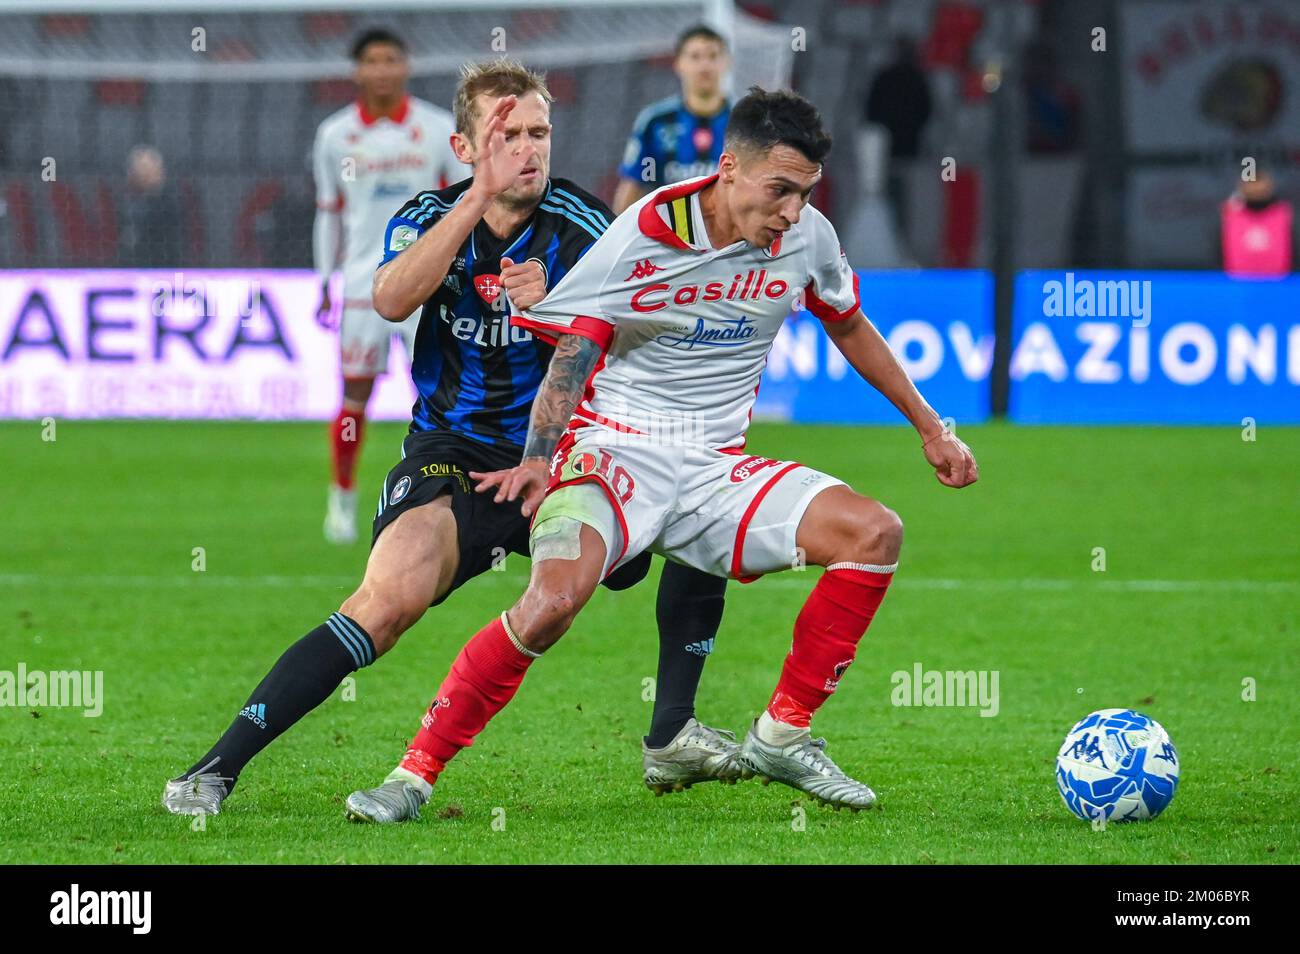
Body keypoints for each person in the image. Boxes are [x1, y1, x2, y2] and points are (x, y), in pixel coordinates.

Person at [346, 88, 979, 823]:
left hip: (715, 469)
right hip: (611, 452)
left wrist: (932, 427)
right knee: (550, 604)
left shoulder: (811, 239)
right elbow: (577, 347)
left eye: (805, 193)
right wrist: (541, 456)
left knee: (876, 533)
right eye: (779, 191)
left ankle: (783, 733)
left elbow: (851, 326)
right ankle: (413, 775)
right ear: (729, 170)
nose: (791, 212)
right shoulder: (645, 232)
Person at [162, 60, 737, 819]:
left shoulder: (588, 226)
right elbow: (394, 298)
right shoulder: (428, 213)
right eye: (507, 136)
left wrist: (558, 307)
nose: (528, 150)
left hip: (573, 453)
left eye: (540, 134)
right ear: (466, 149)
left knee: (702, 510)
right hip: (454, 452)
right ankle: (213, 770)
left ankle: (670, 734)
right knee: (387, 600)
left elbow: (645, 336)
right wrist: (476, 203)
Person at [313, 28, 463, 544]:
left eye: (390, 60)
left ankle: (438, 494)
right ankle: (342, 498)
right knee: (355, 394)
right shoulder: (334, 135)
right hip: (360, 284)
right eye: (371, 61)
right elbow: (329, 213)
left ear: (405, 65)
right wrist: (324, 280)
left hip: (425, 283)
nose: (381, 69)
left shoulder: (437, 128)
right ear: (357, 70)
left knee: (440, 393)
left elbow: (461, 208)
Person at [611, 24, 730, 214]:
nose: (704, 65)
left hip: (732, 239)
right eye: (695, 57)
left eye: (713, 56)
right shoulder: (656, 122)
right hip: (672, 236)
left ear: (726, 63)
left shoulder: (746, 120)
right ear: (678, 64)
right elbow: (632, 185)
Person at [119, 145, 184, 268]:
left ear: (158, 172)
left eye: (145, 169)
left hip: (161, 271)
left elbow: (172, 246)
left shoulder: (169, 205)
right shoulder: (128, 202)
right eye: (137, 169)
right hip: (132, 270)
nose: (138, 174)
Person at [1221, 169, 1294, 276]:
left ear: (1269, 187)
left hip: (1279, 284)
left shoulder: (1284, 213)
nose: (1256, 189)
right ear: (1242, 188)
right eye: (1252, 185)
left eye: (1260, 186)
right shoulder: (1230, 214)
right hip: (1237, 284)